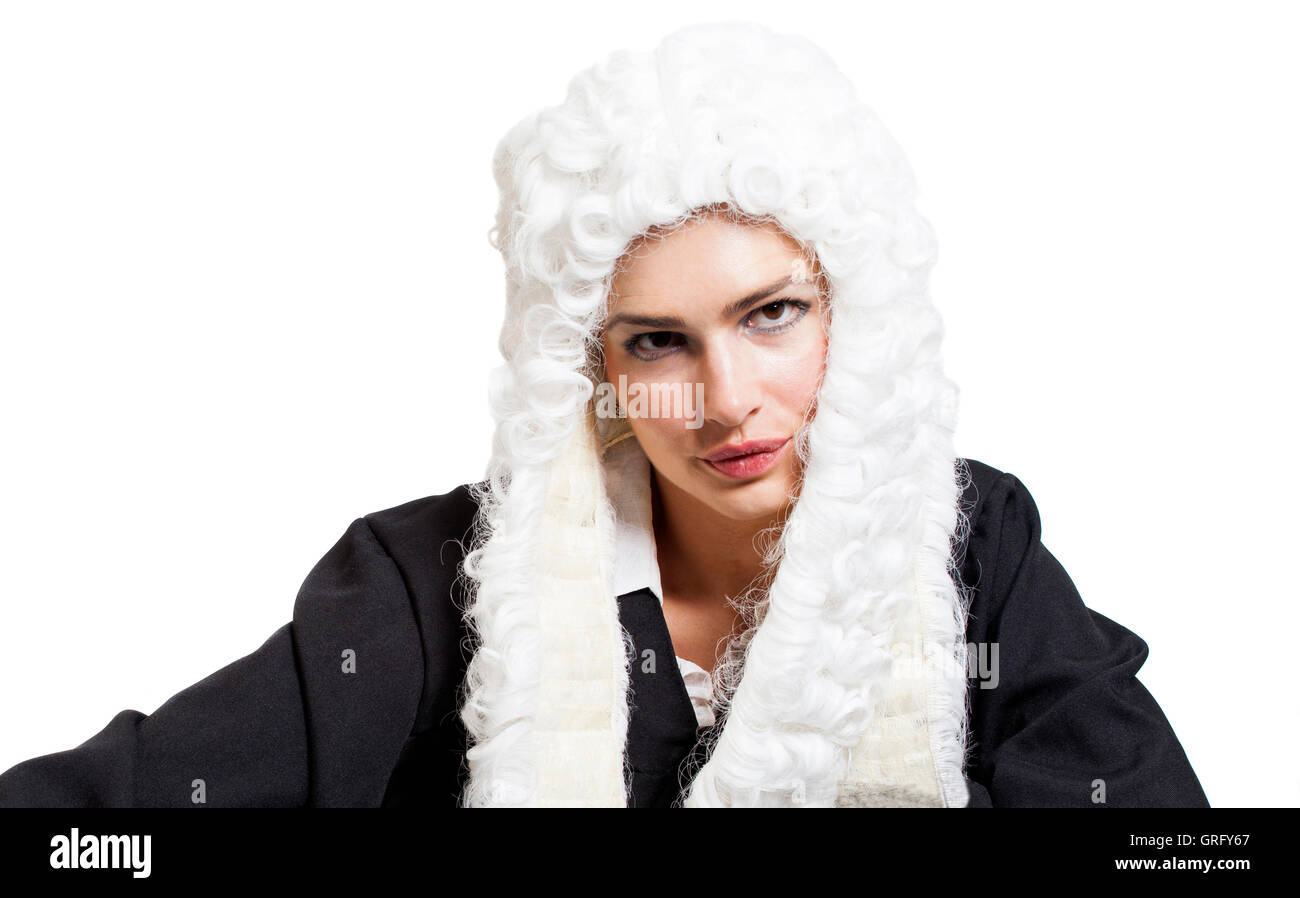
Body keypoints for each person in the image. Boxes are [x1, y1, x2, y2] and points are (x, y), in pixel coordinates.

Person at [0, 20, 1208, 808]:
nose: (726, 398)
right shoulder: (431, 584)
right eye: (655, 341)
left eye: (772, 313)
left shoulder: (970, 548)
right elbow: (110, 821)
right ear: (594, 368)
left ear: (857, 311)